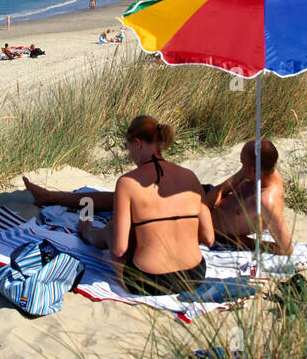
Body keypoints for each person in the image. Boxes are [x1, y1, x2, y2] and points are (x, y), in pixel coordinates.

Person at [27, 115, 212, 297]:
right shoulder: (190, 176)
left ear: (137, 143)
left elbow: (119, 249)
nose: (130, 154)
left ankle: (87, 231)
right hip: (194, 276)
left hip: (149, 283)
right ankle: (57, 202)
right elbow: (208, 238)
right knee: (143, 225)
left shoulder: (128, 182)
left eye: (128, 147)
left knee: (113, 229)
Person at [202, 140, 293, 256]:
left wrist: (245, 242)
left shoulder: (267, 201)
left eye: (243, 164)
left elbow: (285, 248)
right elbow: (221, 189)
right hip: (205, 204)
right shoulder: (257, 170)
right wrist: (202, 207)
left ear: (254, 169)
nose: (241, 168)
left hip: (213, 230)